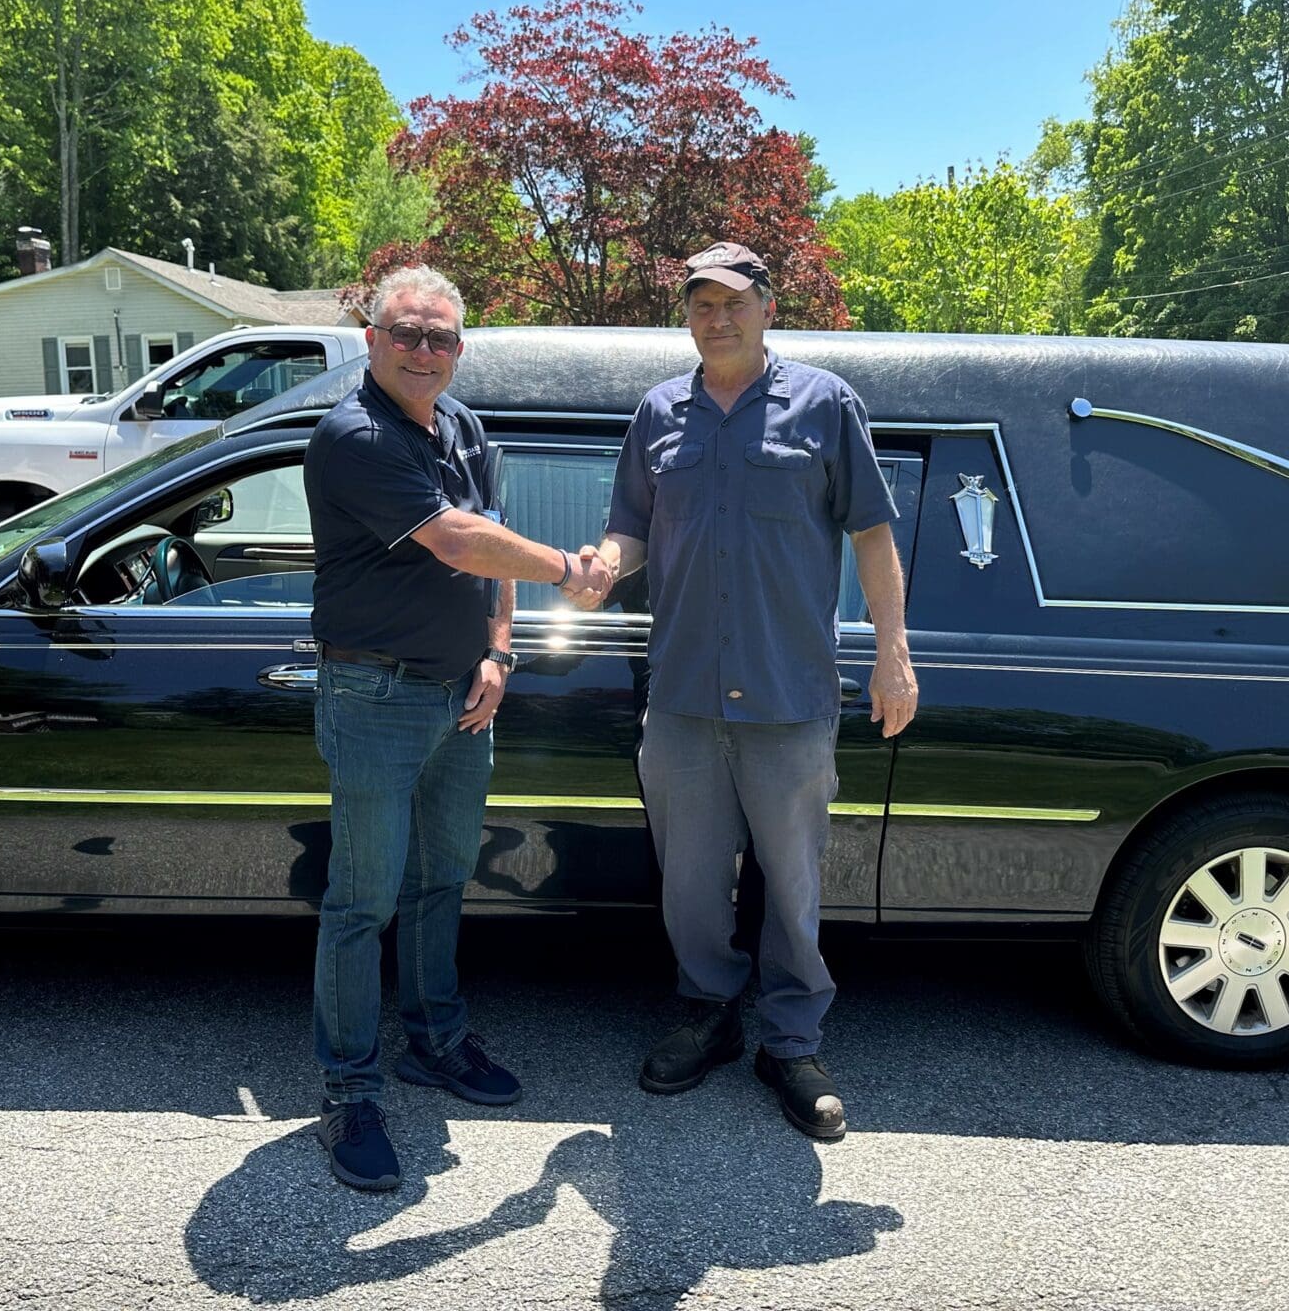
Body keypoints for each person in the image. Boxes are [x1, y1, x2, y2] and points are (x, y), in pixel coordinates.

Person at [574, 241, 919, 1140]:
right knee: (689, 881)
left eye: (733, 301)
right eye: (700, 303)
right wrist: (603, 566)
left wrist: (894, 653)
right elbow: (630, 529)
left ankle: (792, 1040)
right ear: (685, 315)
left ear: (769, 307)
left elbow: (874, 534)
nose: (716, 318)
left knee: (795, 881)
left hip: (789, 695)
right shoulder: (658, 413)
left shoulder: (825, 404)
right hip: (683, 696)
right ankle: (707, 1013)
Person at [303, 264, 611, 1191]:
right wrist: (573, 567)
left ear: (459, 347)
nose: (424, 350)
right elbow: (455, 538)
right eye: (407, 332)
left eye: (441, 337)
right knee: (362, 899)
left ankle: (435, 1042)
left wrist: (501, 652)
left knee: (442, 879)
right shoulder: (352, 434)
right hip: (374, 697)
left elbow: (490, 545)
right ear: (371, 337)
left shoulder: (464, 424)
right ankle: (350, 1090)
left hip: (461, 697)